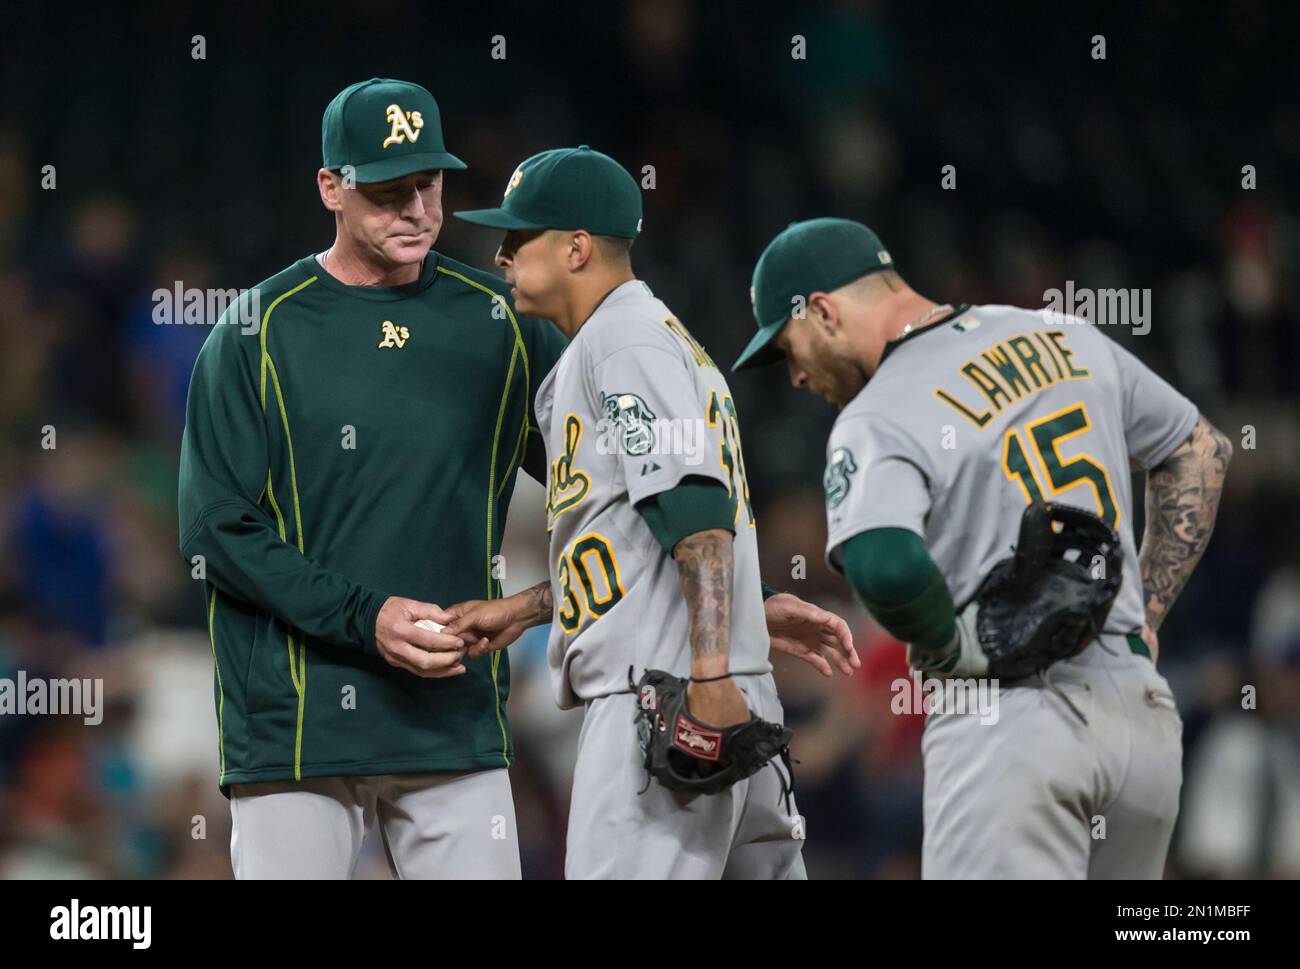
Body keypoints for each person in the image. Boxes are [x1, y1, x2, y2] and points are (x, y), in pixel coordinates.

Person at [732, 217, 1233, 878]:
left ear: (821, 310)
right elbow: (1200, 450)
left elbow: (885, 563)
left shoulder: (879, 410)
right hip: (1140, 723)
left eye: (787, 347)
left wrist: (950, 644)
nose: (793, 374)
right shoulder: (1064, 334)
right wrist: (1147, 614)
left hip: (1008, 725)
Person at [179, 77, 567, 879]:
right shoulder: (257, 329)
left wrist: (542, 603)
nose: (419, 211)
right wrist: (368, 616)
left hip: (452, 713)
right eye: (389, 193)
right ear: (331, 186)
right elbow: (216, 529)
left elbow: (603, 485)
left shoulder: (500, 324)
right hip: (295, 724)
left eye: (429, 185)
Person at [444, 148, 858, 879]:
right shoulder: (640, 340)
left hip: (667, 697)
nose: (501, 253)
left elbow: (695, 508)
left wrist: (709, 673)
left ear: (576, 247)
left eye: (519, 236)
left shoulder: (623, 339)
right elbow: (640, 542)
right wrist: (530, 608)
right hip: (710, 682)